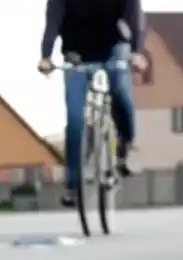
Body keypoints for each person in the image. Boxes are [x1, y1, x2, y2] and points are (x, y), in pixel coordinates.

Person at [38, 0, 148, 207]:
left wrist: (138, 52)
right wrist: (45, 56)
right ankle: (72, 185)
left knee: (119, 89)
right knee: (75, 118)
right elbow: (52, 23)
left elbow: (135, 18)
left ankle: (127, 146)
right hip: (76, 53)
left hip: (114, 48)